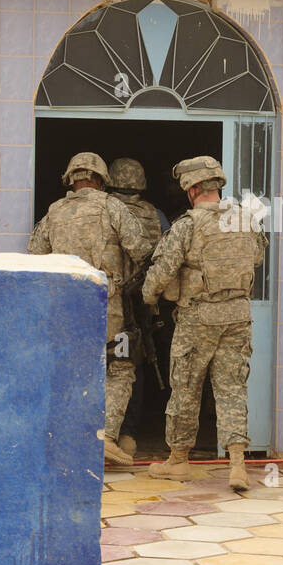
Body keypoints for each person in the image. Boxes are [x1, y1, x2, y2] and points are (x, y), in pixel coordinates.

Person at [141, 156, 267, 492]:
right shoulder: (246, 219)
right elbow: (256, 257)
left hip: (198, 319)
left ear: (193, 188)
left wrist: (148, 295)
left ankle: (178, 460)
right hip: (238, 315)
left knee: (186, 388)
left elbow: (163, 271)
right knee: (232, 390)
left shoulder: (187, 225)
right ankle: (237, 465)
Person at [27, 152, 151, 469]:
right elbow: (141, 249)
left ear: (71, 179)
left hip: (66, 307)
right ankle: (106, 437)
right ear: (100, 179)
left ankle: (67, 440)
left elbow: (35, 253)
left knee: (70, 372)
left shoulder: (54, 211)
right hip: (108, 304)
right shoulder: (112, 206)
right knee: (120, 368)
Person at [108, 158, 164, 458]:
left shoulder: (102, 208)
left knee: (108, 365)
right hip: (140, 299)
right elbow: (164, 255)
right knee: (134, 365)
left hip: (104, 298)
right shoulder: (155, 214)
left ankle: (105, 433)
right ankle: (127, 433)